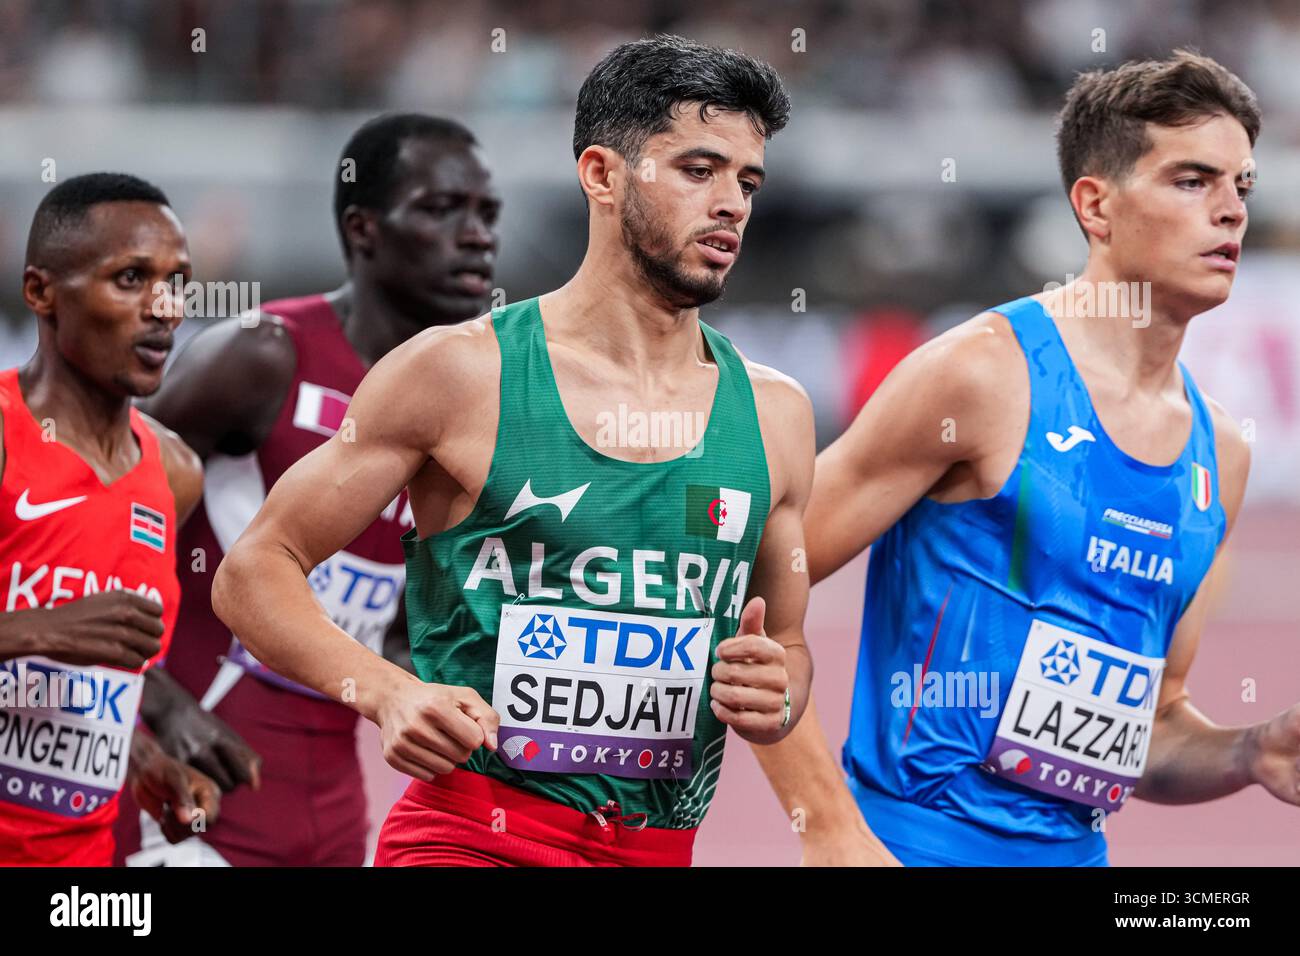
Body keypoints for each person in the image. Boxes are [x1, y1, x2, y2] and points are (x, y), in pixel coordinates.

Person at [213, 35, 815, 867]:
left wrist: (774, 690)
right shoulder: (457, 373)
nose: (732, 205)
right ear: (602, 175)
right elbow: (253, 570)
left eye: (747, 181)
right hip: (473, 836)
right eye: (697, 170)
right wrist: (385, 690)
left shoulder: (778, 416)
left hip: (658, 850)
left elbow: (787, 656)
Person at [754, 49, 1300, 866]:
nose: (1230, 212)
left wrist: (1249, 752)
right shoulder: (980, 376)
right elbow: (754, 588)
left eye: (1242, 186)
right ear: (1095, 205)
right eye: (1193, 181)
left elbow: (1150, 727)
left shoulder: (1221, 454)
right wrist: (826, 826)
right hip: (910, 847)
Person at [115, 113, 501, 866]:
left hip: (332, 813)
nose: (476, 235)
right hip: (192, 781)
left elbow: (394, 620)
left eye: (487, 213)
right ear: (363, 229)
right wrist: (158, 704)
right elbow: (92, 515)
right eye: (440, 209)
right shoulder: (259, 357)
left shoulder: (473, 402)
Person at [0, 173, 219, 865]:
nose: (165, 308)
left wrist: (143, 761)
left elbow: (86, 686)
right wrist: (36, 628)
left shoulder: (175, 474)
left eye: (178, 281)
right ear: (40, 293)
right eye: (129, 279)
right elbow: (53, 643)